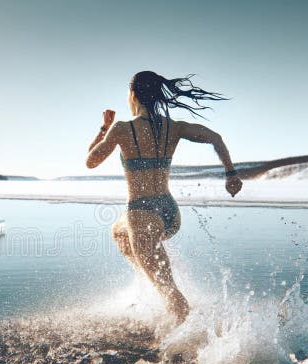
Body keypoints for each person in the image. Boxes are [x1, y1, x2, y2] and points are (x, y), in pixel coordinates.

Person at [86, 70, 242, 324]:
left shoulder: (122, 129)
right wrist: (231, 174)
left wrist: (104, 128)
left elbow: (91, 161)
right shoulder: (174, 127)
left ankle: (188, 342)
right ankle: (150, 275)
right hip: (169, 213)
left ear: (133, 95)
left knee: (170, 293)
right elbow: (216, 138)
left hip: (141, 214)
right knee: (118, 232)